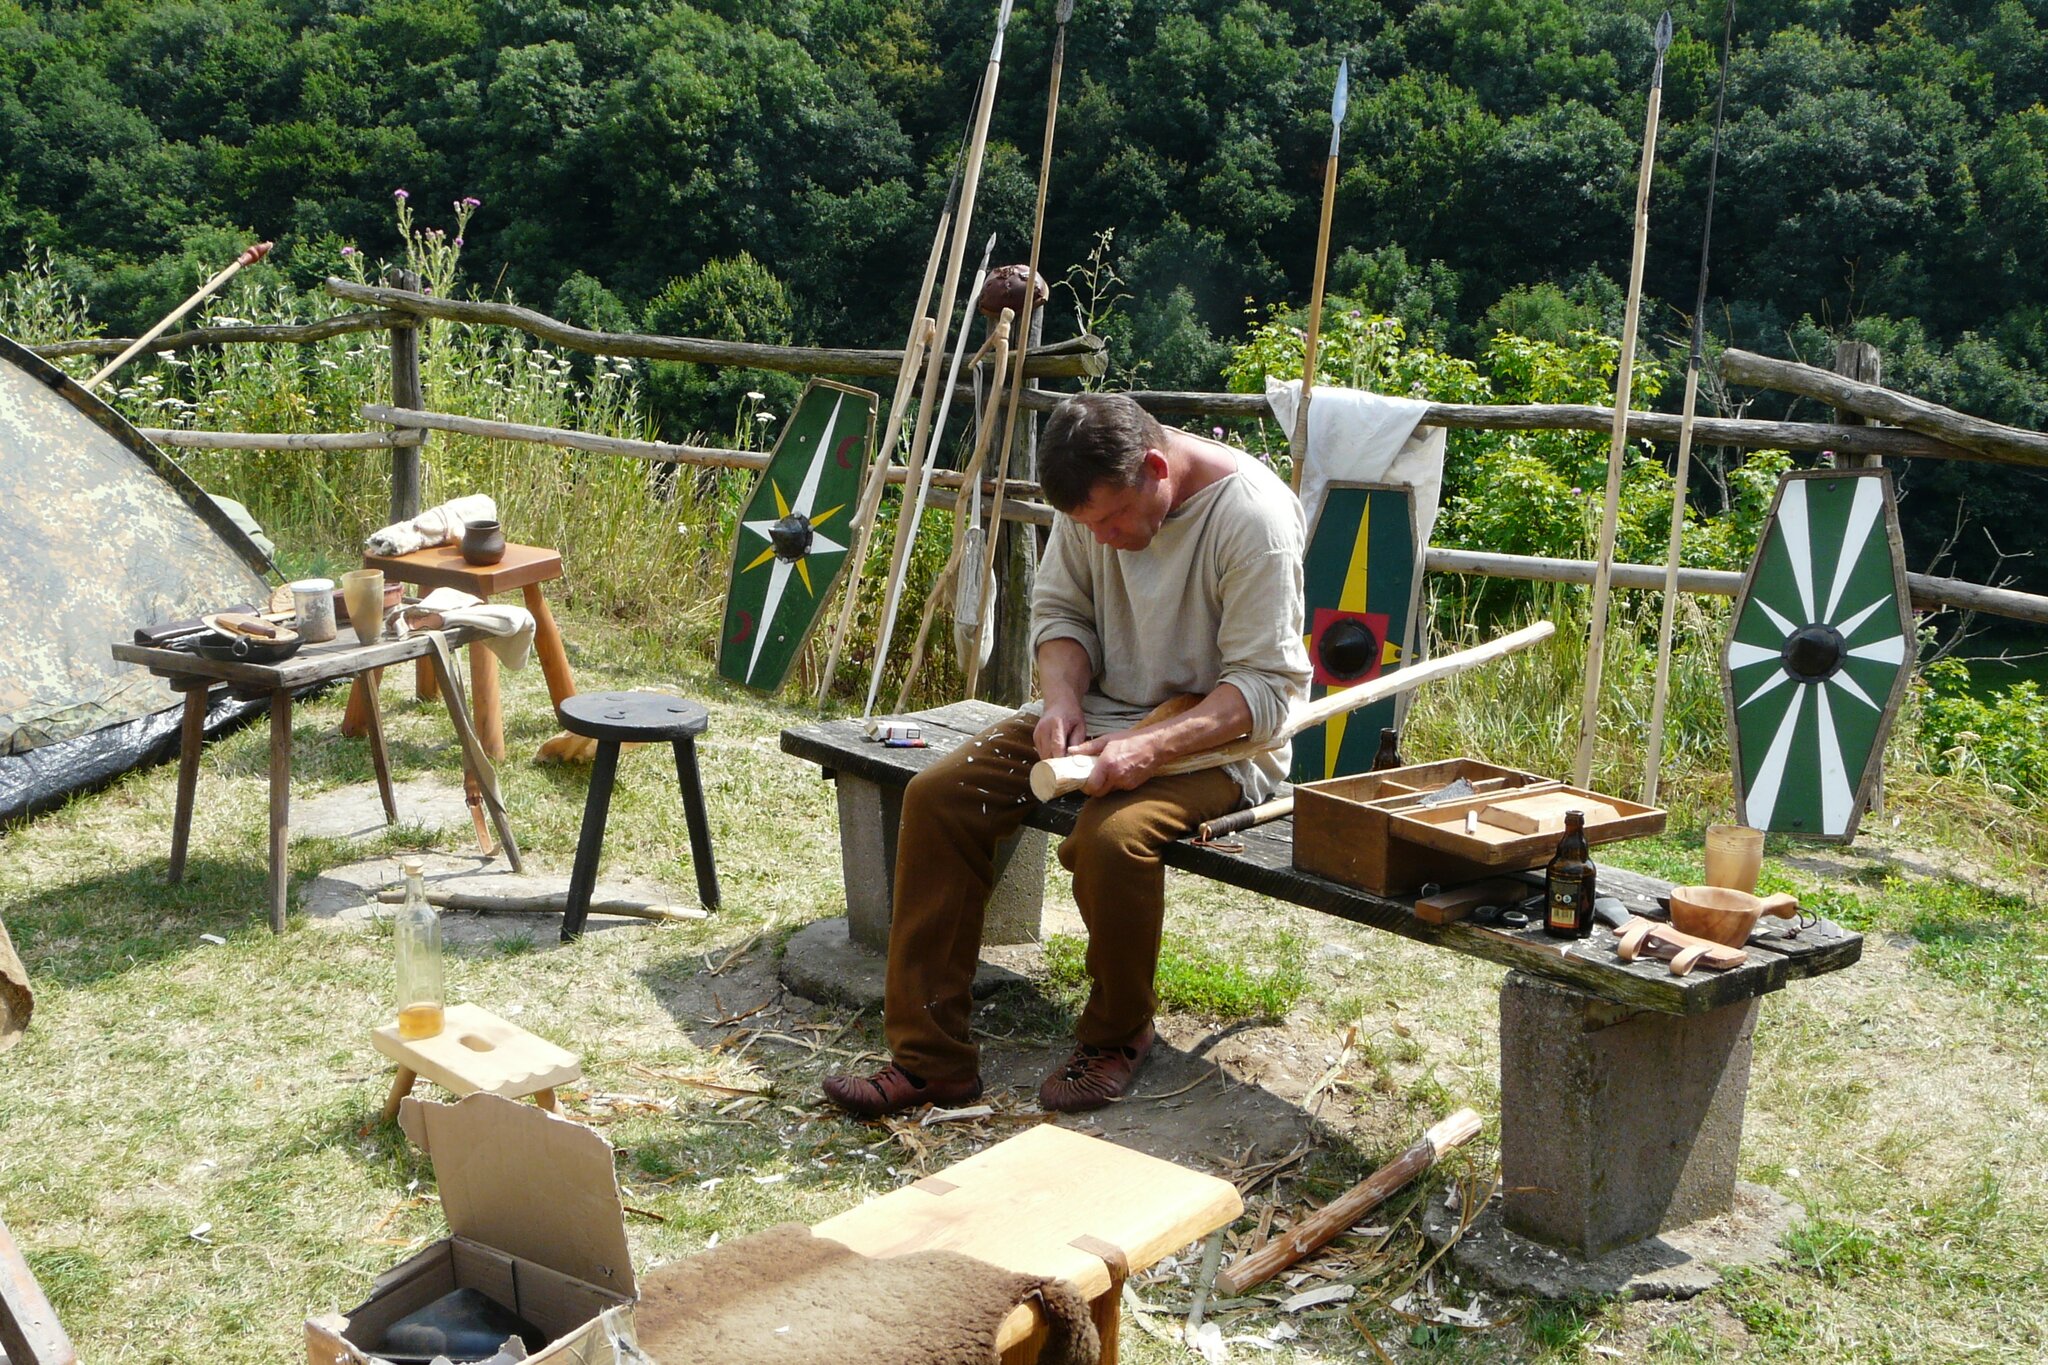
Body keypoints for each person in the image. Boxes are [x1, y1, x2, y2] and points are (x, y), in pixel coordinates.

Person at [822, 393, 1310, 1117]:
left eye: (1113, 519)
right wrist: (1060, 699)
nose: (1103, 538)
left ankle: (1119, 1033)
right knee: (939, 797)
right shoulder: (1093, 495)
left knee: (1110, 841)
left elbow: (1267, 691)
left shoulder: (1251, 518)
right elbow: (1062, 617)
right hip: (1101, 717)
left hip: (1220, 744)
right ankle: (932, 1061)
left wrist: (1150, 743)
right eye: (1090, 525)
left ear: (1155, 467)